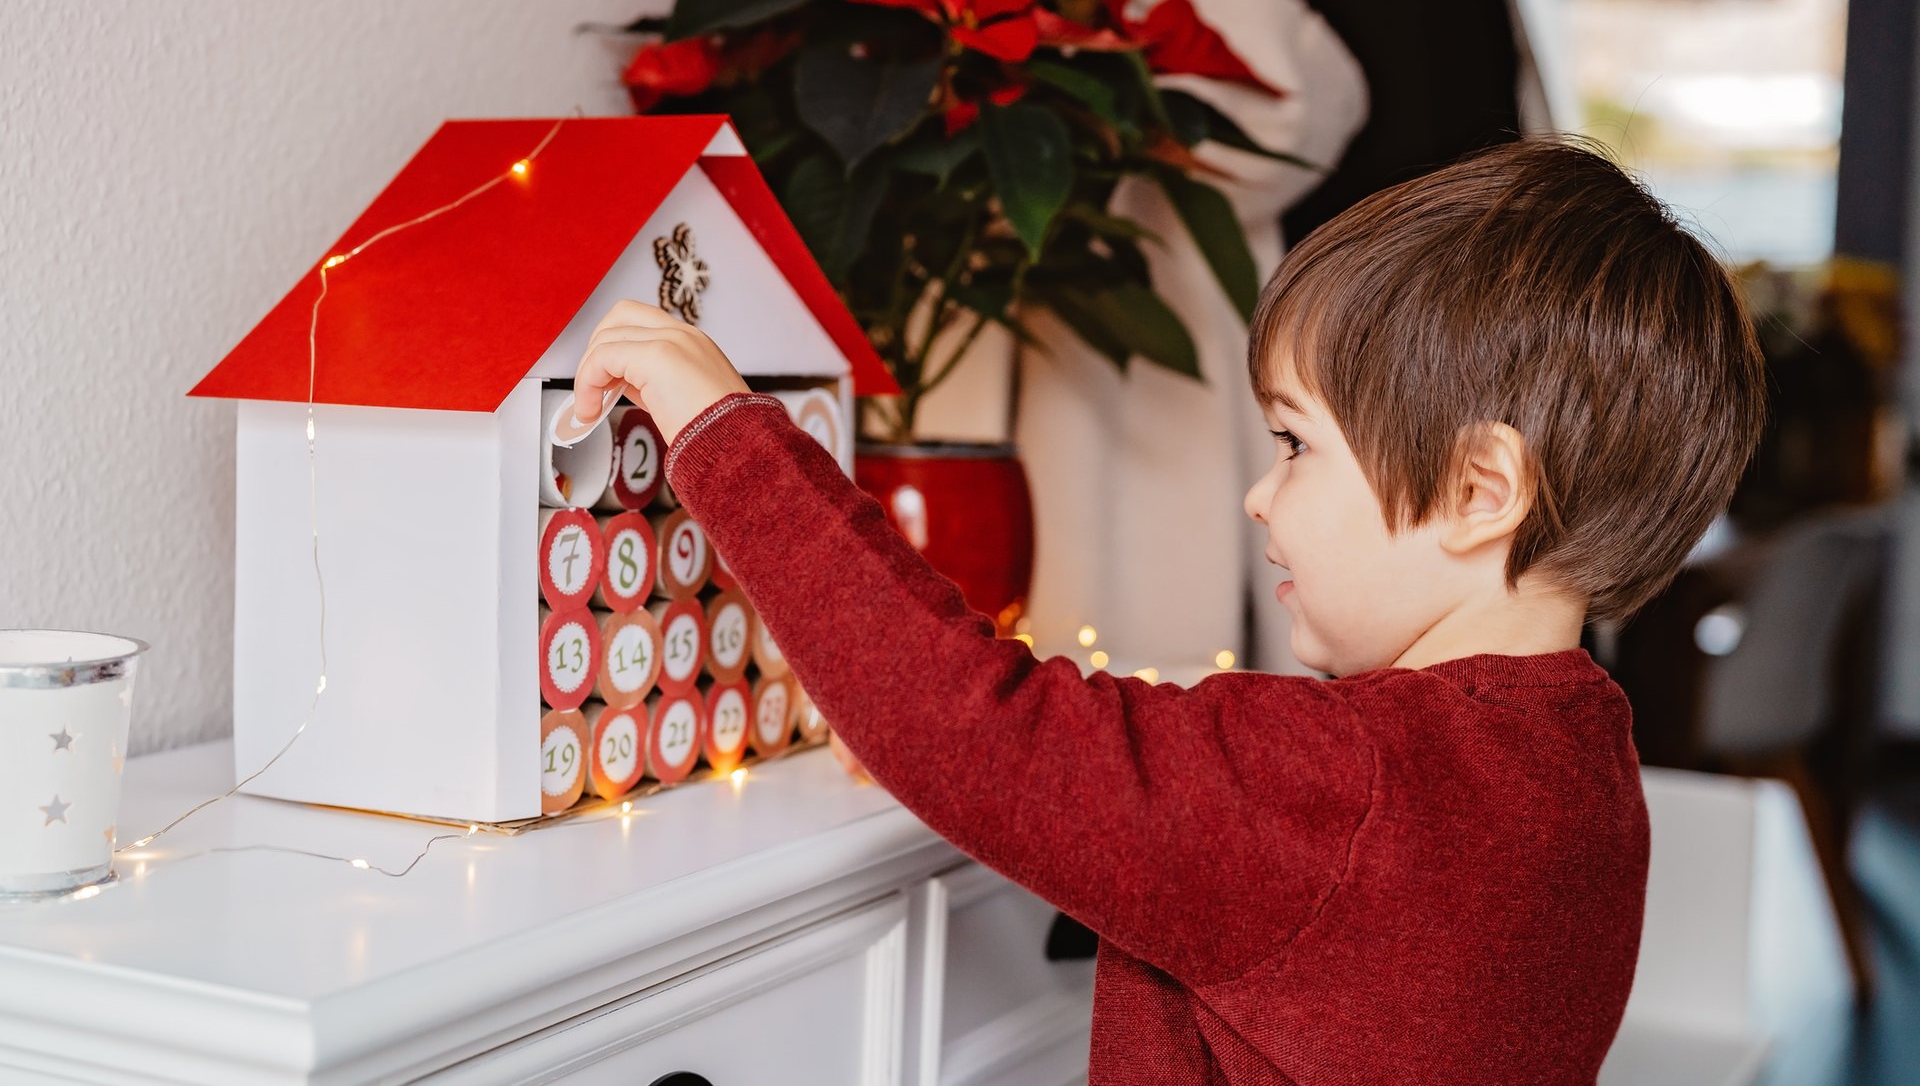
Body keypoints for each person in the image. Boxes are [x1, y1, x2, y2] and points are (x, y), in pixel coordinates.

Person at [564, 137, 1767, 1084]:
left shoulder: (1339, 783)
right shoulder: (1585, 757)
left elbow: (971, 727)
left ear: (1477, 491)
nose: (1259, 493)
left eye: (1296, 444)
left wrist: (723, 427)